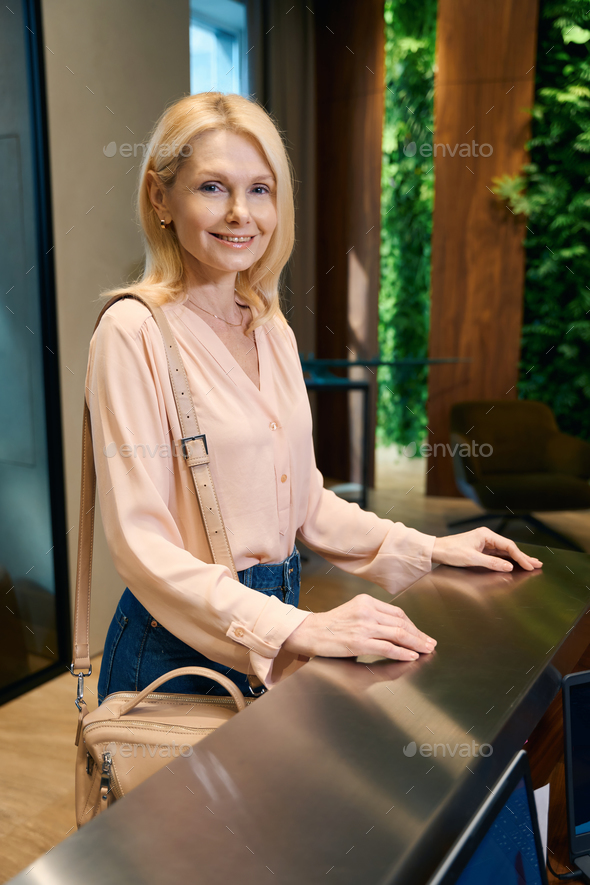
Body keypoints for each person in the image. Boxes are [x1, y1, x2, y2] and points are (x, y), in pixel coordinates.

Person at [88, 93, 542, 705]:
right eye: (213, 188)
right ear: (159, 198)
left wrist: (431, 548)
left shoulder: (269, 326)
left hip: (273, 625)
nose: (240, 214)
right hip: (173, 651)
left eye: (260, 189)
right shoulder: (132, 332)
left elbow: (304, 503)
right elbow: (142, 548)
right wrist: (302, 627)